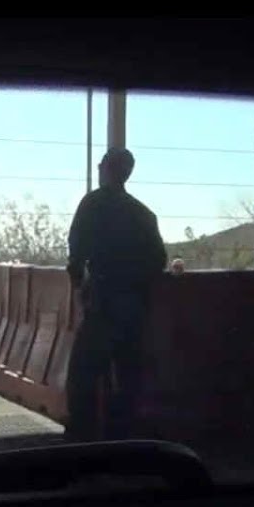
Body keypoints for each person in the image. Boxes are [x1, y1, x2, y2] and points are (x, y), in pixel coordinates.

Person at [64, 148, 168, 441]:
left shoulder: (93, 204)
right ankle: (122, 440)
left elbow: (77, 251)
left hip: (102, 304)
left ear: (104, 168)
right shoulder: (143, 213)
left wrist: (80, 286)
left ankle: (80, 443)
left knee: (83, 376)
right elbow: (158, 260)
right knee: (128, 377)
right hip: (134, 309)